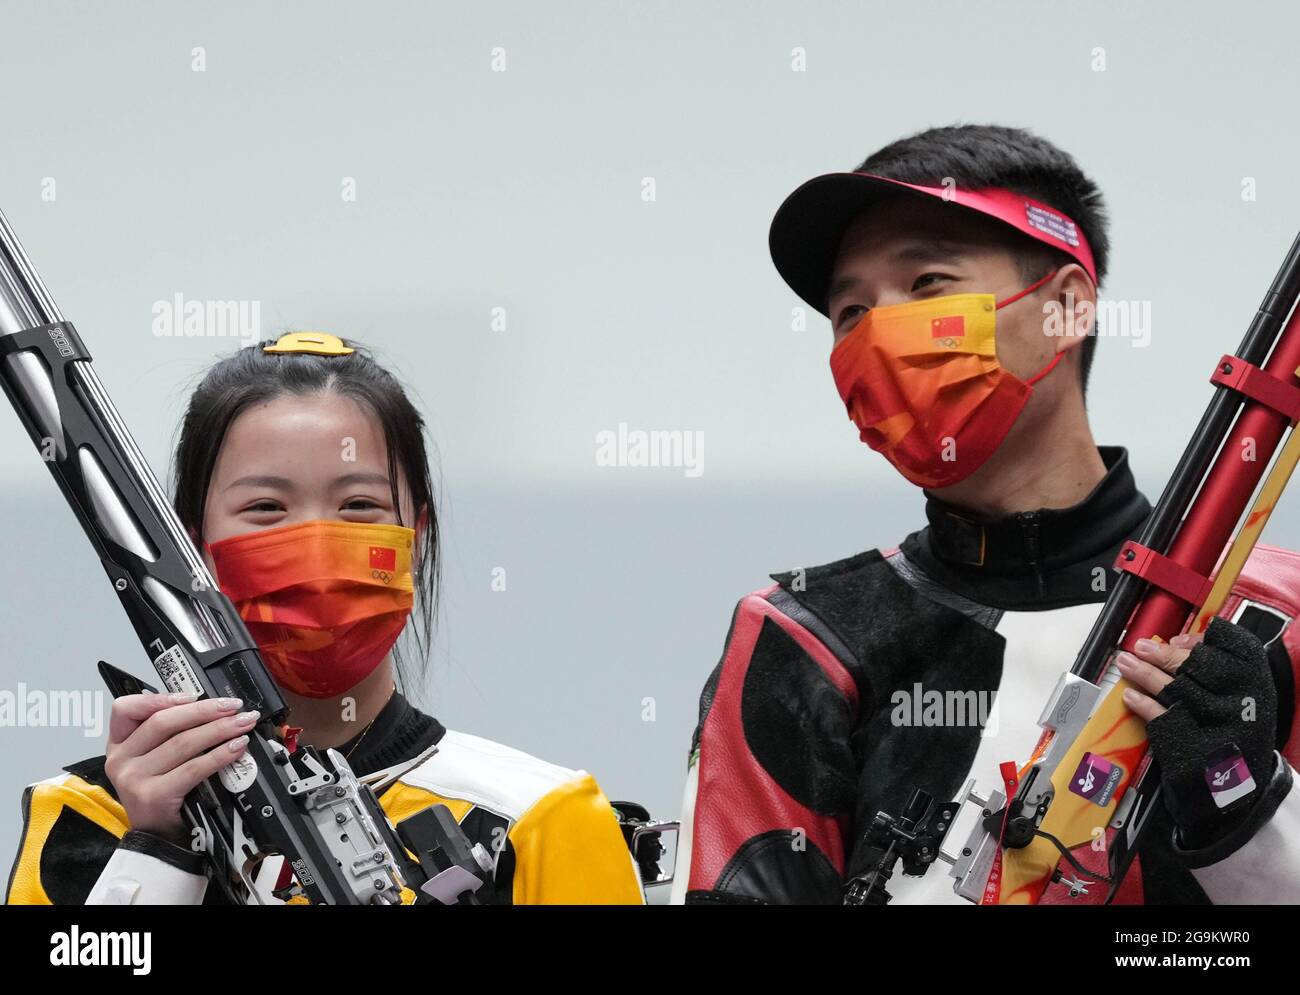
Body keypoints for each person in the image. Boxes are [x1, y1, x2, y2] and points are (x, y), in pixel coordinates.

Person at [672, 125, 1300, 905]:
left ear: (1067, 307)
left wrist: (1246, 807)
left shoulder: (1276, 618)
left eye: (927, 282)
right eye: (850, 312)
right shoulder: (803, 640)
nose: (880, 333)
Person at [7, 331, 644, 905]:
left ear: (415, 536)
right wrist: (156, 850)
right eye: (265, 507)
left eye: (359, 505)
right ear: (194, 545)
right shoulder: (89, 816)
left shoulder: (535, 819)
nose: (314, 544)